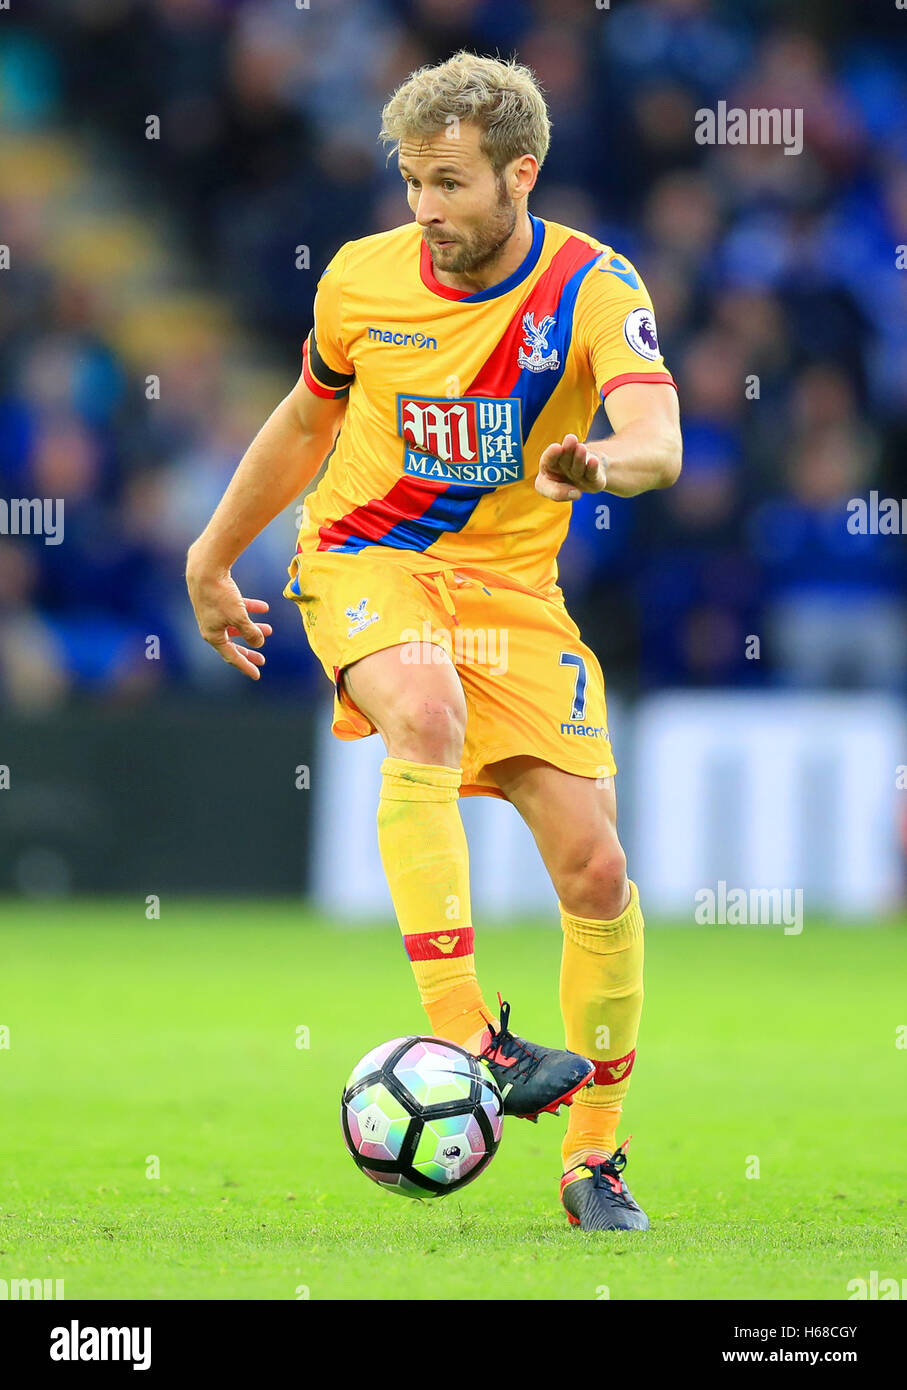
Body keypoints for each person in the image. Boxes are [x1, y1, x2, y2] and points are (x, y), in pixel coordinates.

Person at [186, 51, 682, 1231]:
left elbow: (658, 445)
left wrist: (594, 464)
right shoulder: (362, 281)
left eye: (450, 184)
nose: (424, 209)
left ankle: (593, 1159)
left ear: (521, 172)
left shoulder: (593, 289)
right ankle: (467, 1031)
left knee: (598, 871)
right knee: (421, 711)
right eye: (411, 180)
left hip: (513, 593)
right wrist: (212, 556)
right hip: (365, 560)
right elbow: (306, 419)